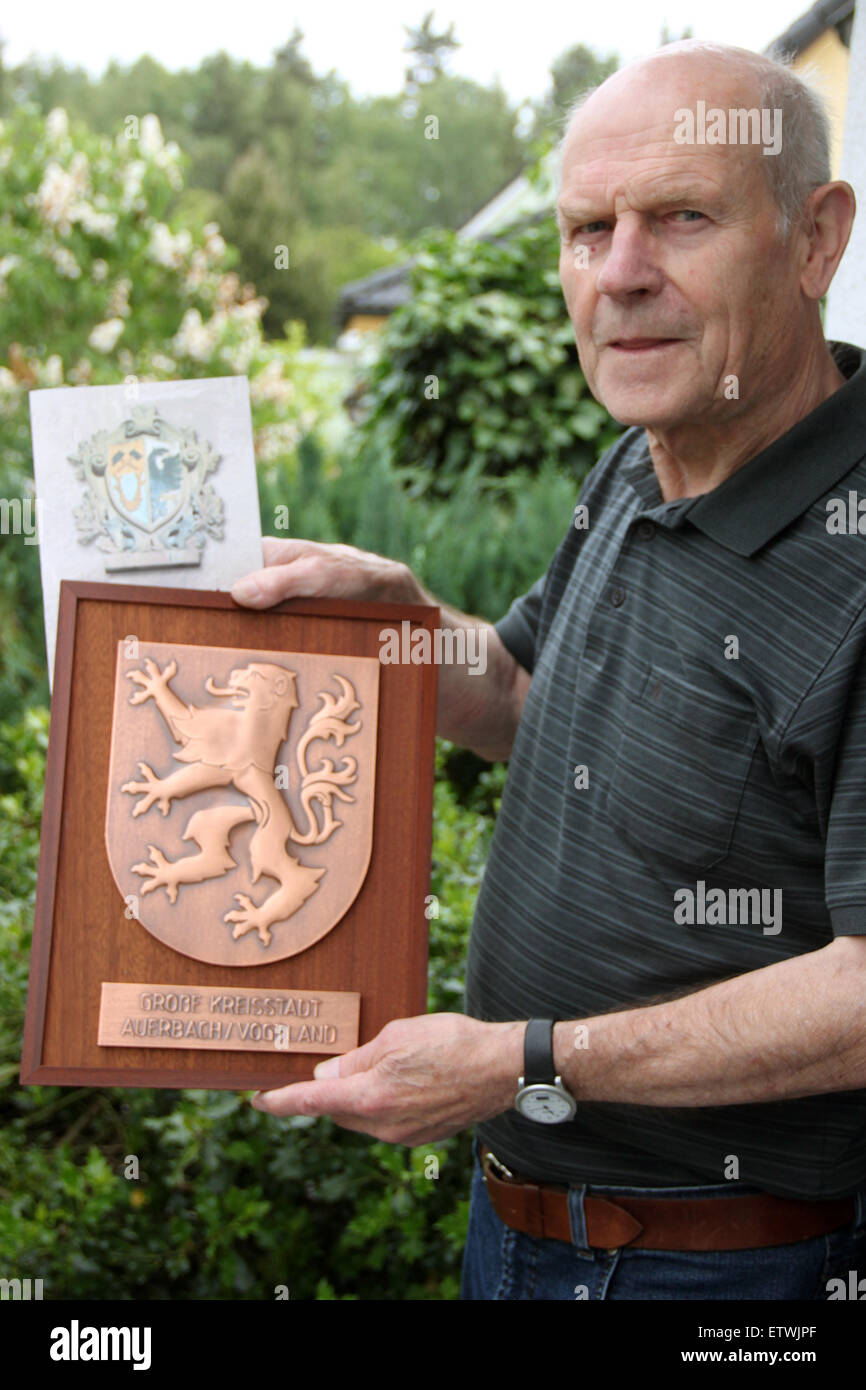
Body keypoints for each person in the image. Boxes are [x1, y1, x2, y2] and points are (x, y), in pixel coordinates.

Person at [232, 40, 866, 1299]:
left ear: (813, 239)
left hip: (731, 1271)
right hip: (525, 1227)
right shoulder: (642, 460)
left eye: (680, 218)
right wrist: (407, 625)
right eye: (587, 230)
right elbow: (530, 698)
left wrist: (526, 1059)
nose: (620, 275)